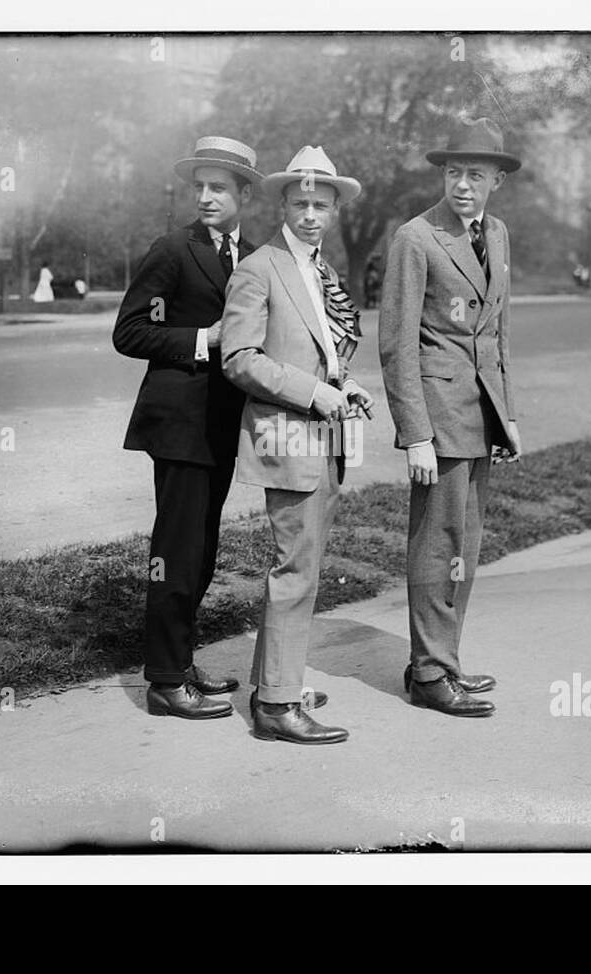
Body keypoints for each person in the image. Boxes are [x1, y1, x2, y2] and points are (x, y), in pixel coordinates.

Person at [221, 146, 373, 745]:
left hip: (323, 437)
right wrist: (314, 393)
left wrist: (343, 384)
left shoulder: (319, 268)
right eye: (300, 203)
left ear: (335, 211)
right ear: (282, 205)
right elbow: (239, 358)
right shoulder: (259, 267)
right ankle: (278, 707)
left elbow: (321, 349)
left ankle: (275, 685)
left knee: (304, 568)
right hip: (287, 438)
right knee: (295, 571)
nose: (311, 215)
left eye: (321, 205)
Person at [112, 136, 264, 720]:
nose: (205, 197)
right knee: (176, 553)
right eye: (199, 187)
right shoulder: (173, 250)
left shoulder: (254, 258)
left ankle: (181, 661)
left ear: (245, 194)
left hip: (223, 426)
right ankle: (165, 681)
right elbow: (130, 332)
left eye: (218, 188)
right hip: (179, 426)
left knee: (202, 552)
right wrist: (205, 338)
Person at [378, 116, 523, 718]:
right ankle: (429, 674)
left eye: (476, 175)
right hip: (438, 417)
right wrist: (415, 434)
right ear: (442, 175)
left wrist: (508, 416)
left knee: (468, 541)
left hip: (482, 414)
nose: (463, 185)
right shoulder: (416, 238)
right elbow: (397, 344)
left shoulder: (499, 234)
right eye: (454, 172)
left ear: (496, 182)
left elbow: (498, 333)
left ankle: (444, 660)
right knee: (437, 543)